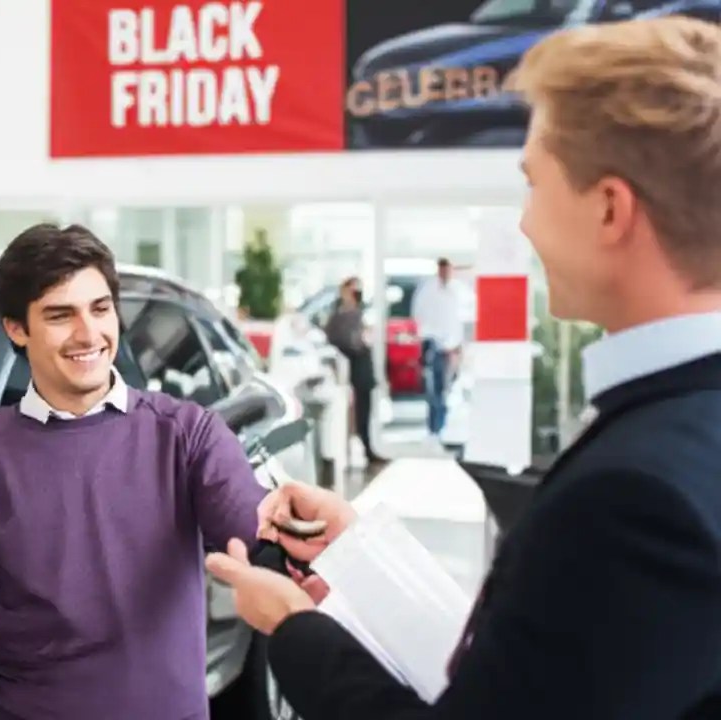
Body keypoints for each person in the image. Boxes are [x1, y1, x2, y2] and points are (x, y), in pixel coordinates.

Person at [204, 15, 721, 718]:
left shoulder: (637, 496)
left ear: (609, 210)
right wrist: (363, 555)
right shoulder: (676, 428)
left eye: (534, 184)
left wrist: (293, 627)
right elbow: (533, 679)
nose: (525, 224)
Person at [0, 223, 297, 720]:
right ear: (17, 328)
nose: (88, 333)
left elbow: (254, 533)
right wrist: (56, 632)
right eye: (61, 315)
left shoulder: (186, 433)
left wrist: (287, 552)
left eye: (100, 309)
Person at [324, 276, 384, 466]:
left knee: (364, 411)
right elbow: (339, 340)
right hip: (346, 370)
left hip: (361, 370)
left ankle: (366, 446)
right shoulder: (338, 316)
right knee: (349, 414)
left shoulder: (362, 313)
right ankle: (351, 451)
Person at [411, 257, 463, 437]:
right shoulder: (428, 290)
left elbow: (459, 321)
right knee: (434, 388)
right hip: (432, 344)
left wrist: (457, 346)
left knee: (447, 388)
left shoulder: (456, 291)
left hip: (451, 347)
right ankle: (435, 427)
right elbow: (419, 316)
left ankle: (442, 426)